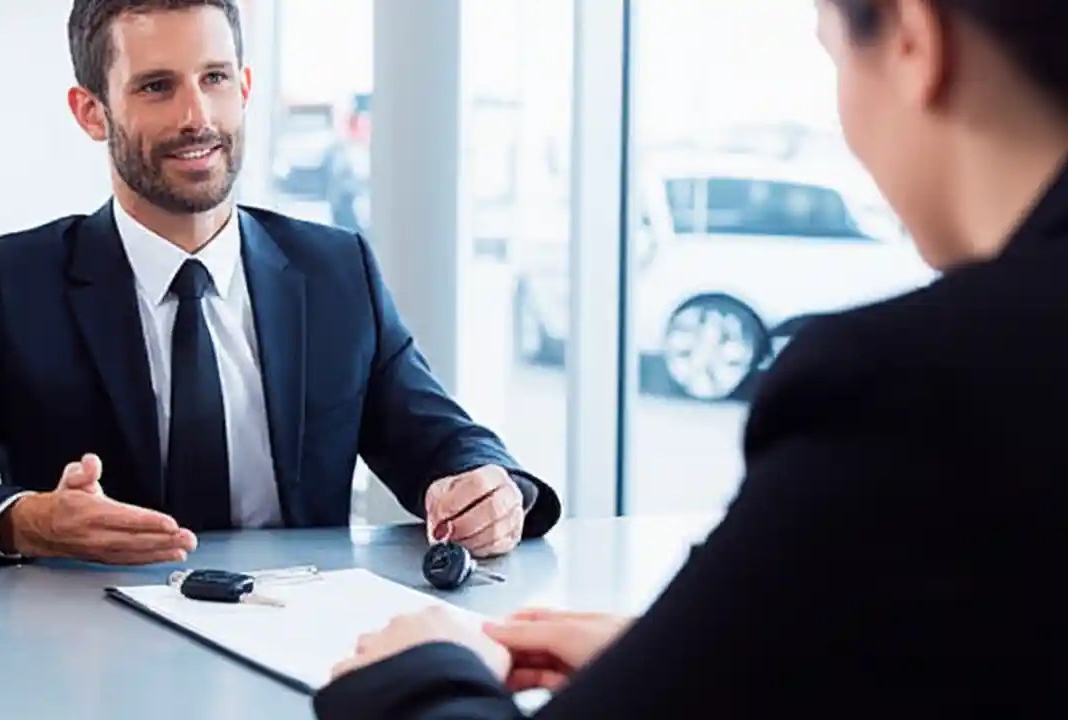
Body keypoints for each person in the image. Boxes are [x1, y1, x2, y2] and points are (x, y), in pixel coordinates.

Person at [315, 0, 1068, 716]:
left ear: (912, 39)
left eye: (834, 56)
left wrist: (422, 671)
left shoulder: (906, 390)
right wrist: (687, 664)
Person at [0, 0, 560, 567]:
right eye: (157, 87)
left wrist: (490, 489)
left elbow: (451, 443)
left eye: (215, 79)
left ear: (245, 87)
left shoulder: (336, 272)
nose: (197, 116)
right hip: (90, 659)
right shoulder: (12, 287)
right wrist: (27, 520)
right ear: (91, 112)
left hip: (301, 644)